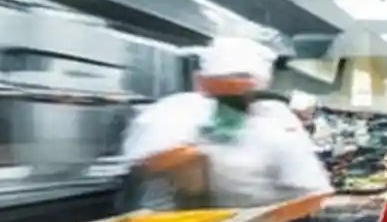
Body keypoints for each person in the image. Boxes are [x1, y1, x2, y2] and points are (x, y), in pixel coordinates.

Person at [123, 37, 333, 211]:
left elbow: (310, 189)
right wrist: (195, 159)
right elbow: (152, 162)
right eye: (226, 87)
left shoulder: (275, 119)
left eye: (245, 83)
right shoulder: (176, 110)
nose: (240, 88)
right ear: (203, 83)